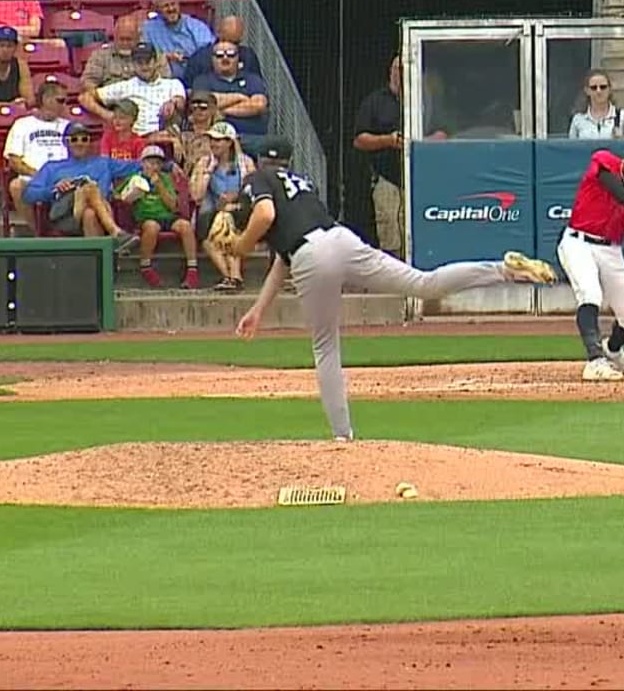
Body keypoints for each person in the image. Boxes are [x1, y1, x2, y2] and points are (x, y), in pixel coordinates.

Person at [232, 137, 559, 441]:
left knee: (326, 347)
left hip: (312, 256)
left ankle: (342, 437)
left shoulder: (258, 179)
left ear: (261, 161)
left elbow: (264, 213)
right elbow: (284, 258)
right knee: (423, 283)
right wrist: (259, 309)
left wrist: (240, 246)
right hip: (340, 239)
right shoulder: (303, 184)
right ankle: (503, 270)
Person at [557, 134, 624, 381]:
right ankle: (595, 360)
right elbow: (613, 186)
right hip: (578, 242)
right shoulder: (605, 160)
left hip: (611, 251)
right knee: (590, 294)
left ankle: (612, 350)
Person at [22, 122, 143, 248]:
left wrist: (157, 158)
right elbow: (29, 194)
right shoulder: (52, 167)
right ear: (66, 143)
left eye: (84, 139)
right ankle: (116, 232)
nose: (79, 143)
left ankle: (100, 264)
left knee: (89, 214)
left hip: (100, 214)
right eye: (74, 139)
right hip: (66, 216)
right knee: (89, 187)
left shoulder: (102, 163)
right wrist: (54, 189)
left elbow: (138, 165)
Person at [120, 144, 199, 289]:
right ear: (143, 163)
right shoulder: (134, 178)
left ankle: (192, 269)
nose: (154, 166)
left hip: (167, 216)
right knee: (152, 227)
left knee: (185, 226)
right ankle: (145, 265)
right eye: (150, 162)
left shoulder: (166, 179)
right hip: (146, 217)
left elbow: (173, 206)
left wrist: (160, 186)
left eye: (157, 163)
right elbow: (120, 198)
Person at [352, 55, 405, 255]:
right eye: (397, 69)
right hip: (386, 177)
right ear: (391, 71)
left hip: (419, 179)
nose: (401, 73)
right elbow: (359, 140)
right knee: (389, 230)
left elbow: (443, 130)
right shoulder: (375, 102)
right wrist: (388, 140)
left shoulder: (423, 99)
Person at [191, 121, 254, 290]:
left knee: (226, 222)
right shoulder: (204, 162)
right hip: (213, 212)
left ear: (229, 142)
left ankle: (232, 277)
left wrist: (236, 197)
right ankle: (231, 276)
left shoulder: (245, 163)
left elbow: (254, 192)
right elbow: (196, 196)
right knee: (215, 225)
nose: (213, 143)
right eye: (211, 139)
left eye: (218, 140)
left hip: (240, 210)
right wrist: (208, 171)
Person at [4, 80, 71, 227]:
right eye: (60, 100)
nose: (65, 105)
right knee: (16, 186)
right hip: (33, 178)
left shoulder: (68, 126)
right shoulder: (22, 124)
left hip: (65, 178)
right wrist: (40, 175)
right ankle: (36, 233)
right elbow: (14, 160)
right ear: (46, 100)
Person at [566, 69, 624, 138]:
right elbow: (572, 147)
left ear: (609, 89)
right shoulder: (578, 119)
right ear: (587, 90)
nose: (598, 91)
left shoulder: (623, 116)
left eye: (603, 87)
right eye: (594, 88)